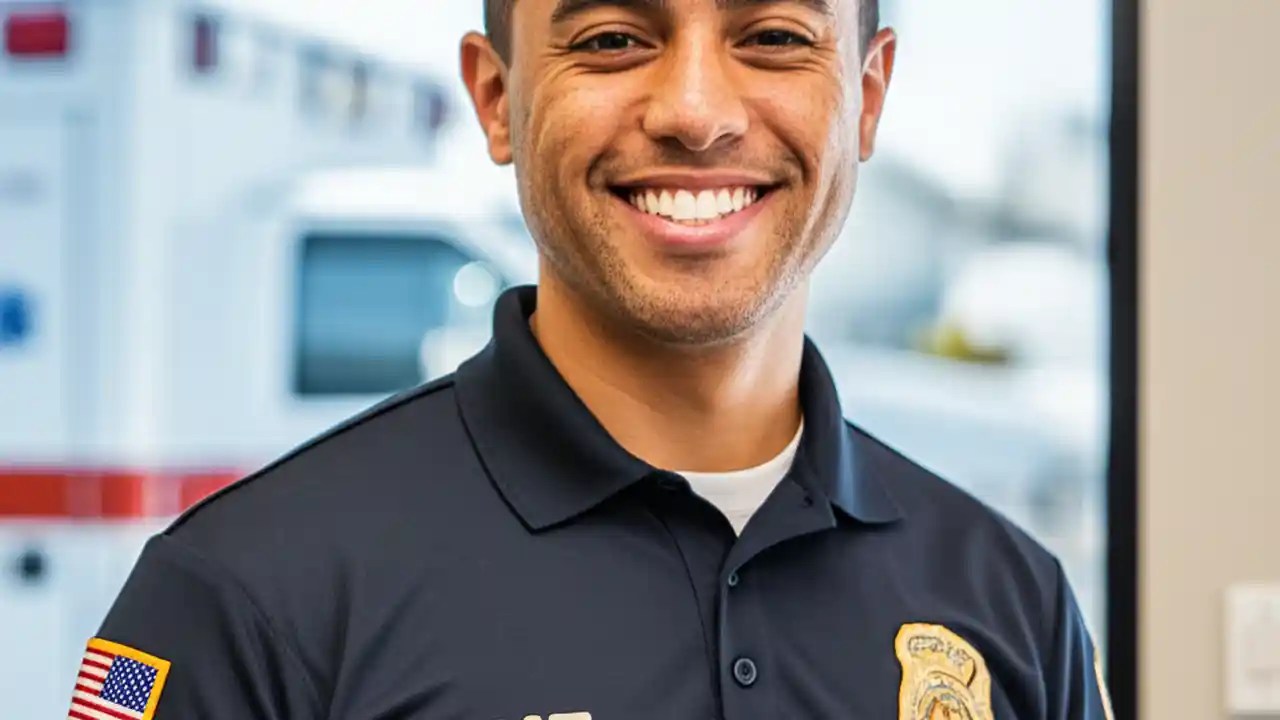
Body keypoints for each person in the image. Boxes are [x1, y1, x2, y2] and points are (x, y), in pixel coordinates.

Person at [70, 0, 1116, 718]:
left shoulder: (1011, 605)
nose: (696, 112)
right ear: (496, 99)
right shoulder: (242, 600)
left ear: (867, 97)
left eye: (771, 37)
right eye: (614, 38)